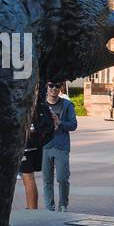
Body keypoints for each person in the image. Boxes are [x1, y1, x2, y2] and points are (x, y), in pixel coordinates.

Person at [42, 81, 77, 212]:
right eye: (51, 85)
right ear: (47, 86)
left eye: (57, 86)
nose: (54, 89)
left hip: (61, 146)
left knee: (62, 178)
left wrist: (59, 122)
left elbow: (73, 125)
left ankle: (63, 205)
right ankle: (49, 208)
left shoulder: (67, 105)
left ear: (61, 87)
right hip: (45, 146)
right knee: (47, 181)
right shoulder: (41, 104)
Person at [20, 90, 56, 209]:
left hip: (27, 144)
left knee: (28, 178)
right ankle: (31, 208)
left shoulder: (24, 101)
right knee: (29, 178)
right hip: (36, 143)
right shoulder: (39, 102)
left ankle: (31, 209)